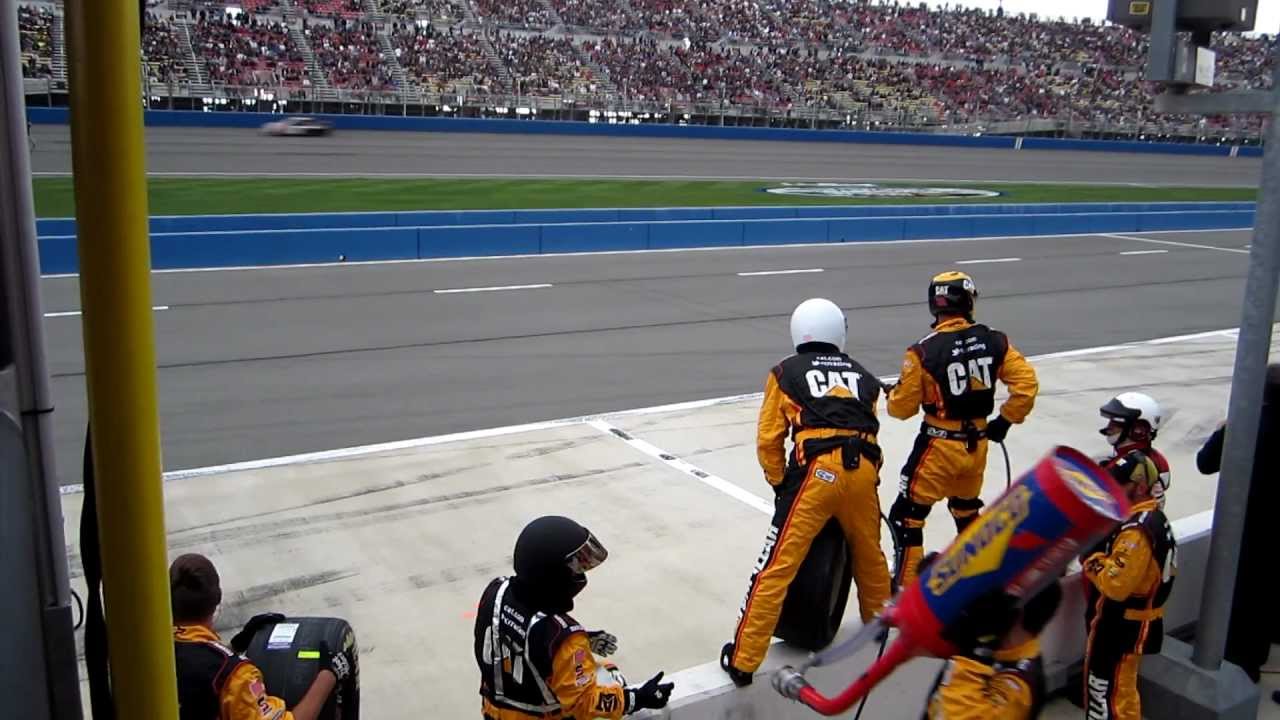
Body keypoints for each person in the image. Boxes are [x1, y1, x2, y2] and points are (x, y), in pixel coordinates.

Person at [721, 297, 892, 686]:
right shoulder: (864, 376)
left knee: (776, 566)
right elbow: (869, 426)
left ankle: (743, 661)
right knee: (870, 558)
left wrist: (780, 482)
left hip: (817, 472)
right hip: (864, 470)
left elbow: (769, 439)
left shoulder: (785, 371)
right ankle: (880, 632)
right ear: (839, 331)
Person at [887, 271, 1038, 591]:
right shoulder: (995, 340)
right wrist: (1004, 422)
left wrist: (894, 394)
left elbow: (901, 410)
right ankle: (975, 583)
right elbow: (1026, 386)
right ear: (968, 301)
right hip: (977, 445)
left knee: (906, 516)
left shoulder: (922, 352)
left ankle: (905, 590)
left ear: (935, 304)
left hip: (938, 446)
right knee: (966, 511)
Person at [474, 515, 673, 719]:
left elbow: (517, 635)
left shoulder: (495, 591)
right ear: (554, 574)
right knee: (609, 674)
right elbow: (583, 703)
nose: (580, 574)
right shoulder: (563, 636)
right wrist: (638, 698)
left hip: (493, 711)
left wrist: (582, 641)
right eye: (575, 567)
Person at [171, 553, 352, 720]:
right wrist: (329, 675)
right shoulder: (236, 678)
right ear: (217, 599)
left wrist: (235, 646)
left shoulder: (155, 651)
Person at [1196, 364, 1280, 686]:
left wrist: (1223, 429)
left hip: (1249, 524)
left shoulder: (1247, 426)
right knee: (1266, 591)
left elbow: (1205, 463)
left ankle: (1242, 664)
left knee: (1244, 594)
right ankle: (1258, 652)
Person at [1081, 451, 1176, 720]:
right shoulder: (1154, 517)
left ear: (1141, 486)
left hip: (1122, 625)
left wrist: (1092, 558)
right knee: (1122, 692)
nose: (1113, 491)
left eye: (1120, 484)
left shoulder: (1136, 531)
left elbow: (1116, 585)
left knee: (1106, 693)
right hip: (1133, 622)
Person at [924, 578, 1064, 719]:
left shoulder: (1019, 687)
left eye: (1006, 594)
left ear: (1017, 610)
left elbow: (957, 714)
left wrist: (976, 653)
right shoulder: (995, 646)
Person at [1097, 392, 1170, 507]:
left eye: (1116, 422)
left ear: (1139, 430)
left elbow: (1096, 496)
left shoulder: (1134, 463)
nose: (1109, 427)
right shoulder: (1156, 458)